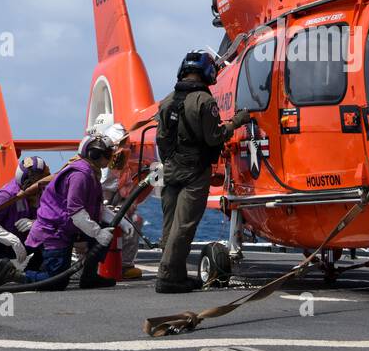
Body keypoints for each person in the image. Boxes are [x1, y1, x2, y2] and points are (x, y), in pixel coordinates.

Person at [155, 49, 249, 293]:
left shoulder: (167, 101)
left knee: (169, 224)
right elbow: (214, 137)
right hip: (194, 171)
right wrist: (237, 122)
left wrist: (172, 161)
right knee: (184, 225)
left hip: (172, 169)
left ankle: (174, 274)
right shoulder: (204, 101)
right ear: (207, 73)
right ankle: (168, 278)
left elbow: (162, 140)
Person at [20, 133, 122, 290]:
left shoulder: (91, 171)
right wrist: (97, 233)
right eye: (107, 154)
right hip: (54, 231)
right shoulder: (80, 175)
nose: (110, 158)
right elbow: (76, 212)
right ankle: (16, 275)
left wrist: (118, 220)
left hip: (68, 228)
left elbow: (94, 207)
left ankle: (89, 277)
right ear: (93, 154)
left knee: (105, 228)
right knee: (56, 281)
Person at [0, 155, 49, 287]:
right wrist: (13, 240)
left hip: (30, 242)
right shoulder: (8, 195)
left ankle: (30, 271)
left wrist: (35, 223)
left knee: (50, 233)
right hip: (6, 245)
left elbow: (54, 217)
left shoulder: (45, 191)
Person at [92, 120, 145, 279]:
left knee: (135, 219)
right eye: (121, 143)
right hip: (97, 207)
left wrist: (129, 204)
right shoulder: (100, 167)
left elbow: (127, 190)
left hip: (114, 206)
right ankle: (92, 262)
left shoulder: (124, 166)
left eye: (125, 142)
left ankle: (125, 265)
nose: (124, 147)